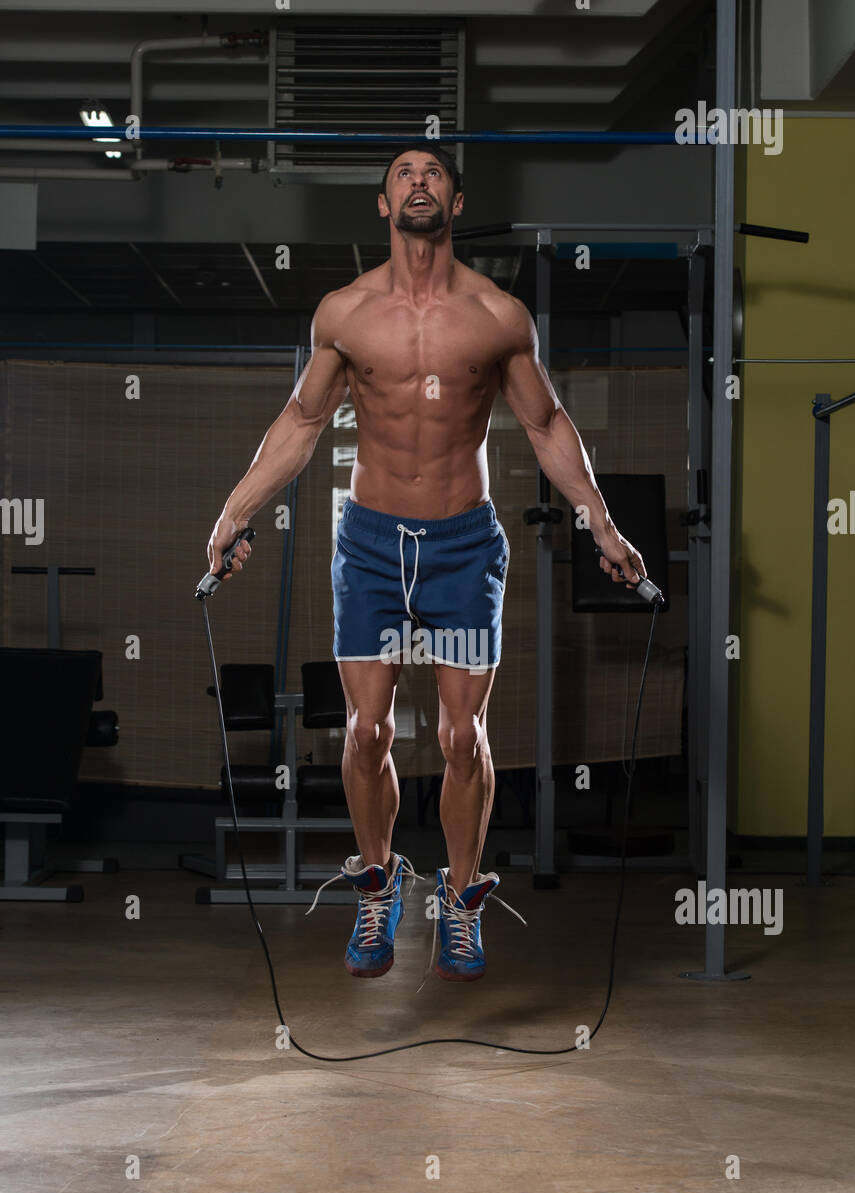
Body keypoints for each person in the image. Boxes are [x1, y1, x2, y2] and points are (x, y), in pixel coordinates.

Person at [206, 143, 646, 984]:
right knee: (366, 730)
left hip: (462, 547)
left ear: (455, 199)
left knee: (460, 736)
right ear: (382, 205)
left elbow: (548, 425)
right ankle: (377, 887)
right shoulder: (343, 312)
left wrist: (601, 524)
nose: (418, 183)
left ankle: (461, 895)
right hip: (367, 543)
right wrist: (234, 512)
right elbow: (300, 423)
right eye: (403, 175)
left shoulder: (497, 315)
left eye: (432, 174)